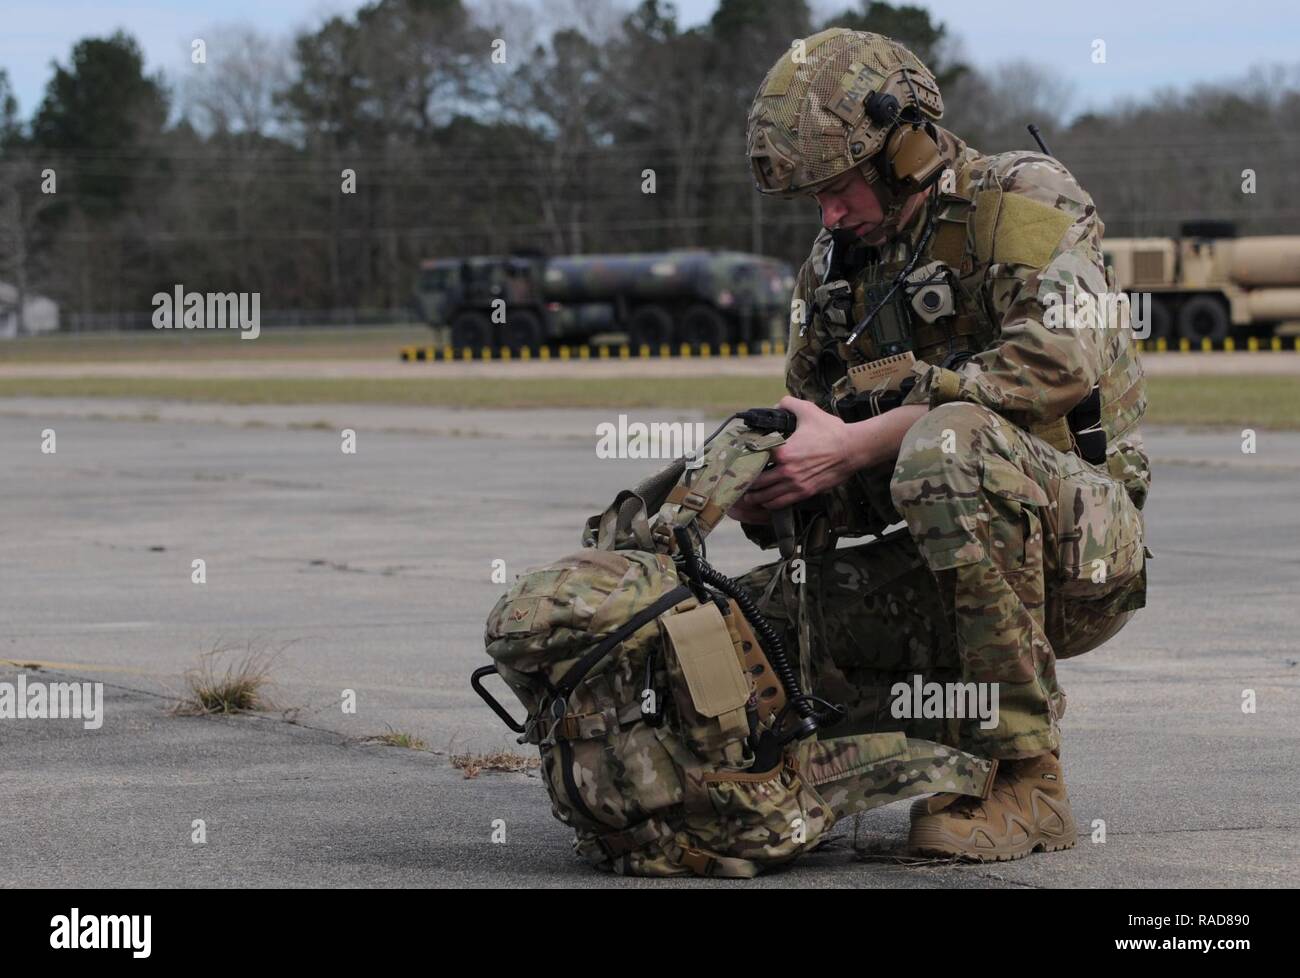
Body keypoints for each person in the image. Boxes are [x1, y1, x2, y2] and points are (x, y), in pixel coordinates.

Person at [732, 27, 1150, 861]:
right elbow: (822, 433)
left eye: (841, 187)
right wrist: (778, 483)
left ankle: (1027, 782)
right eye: (815, 198)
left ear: (907, 147)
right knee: (741, 630)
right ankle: (831, 759)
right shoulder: (837, 268)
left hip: (1078, 551)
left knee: (945, 447)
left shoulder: (1022, 199)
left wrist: (862, 444)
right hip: (942, 552)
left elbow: (1056, 362)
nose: (830, 214)